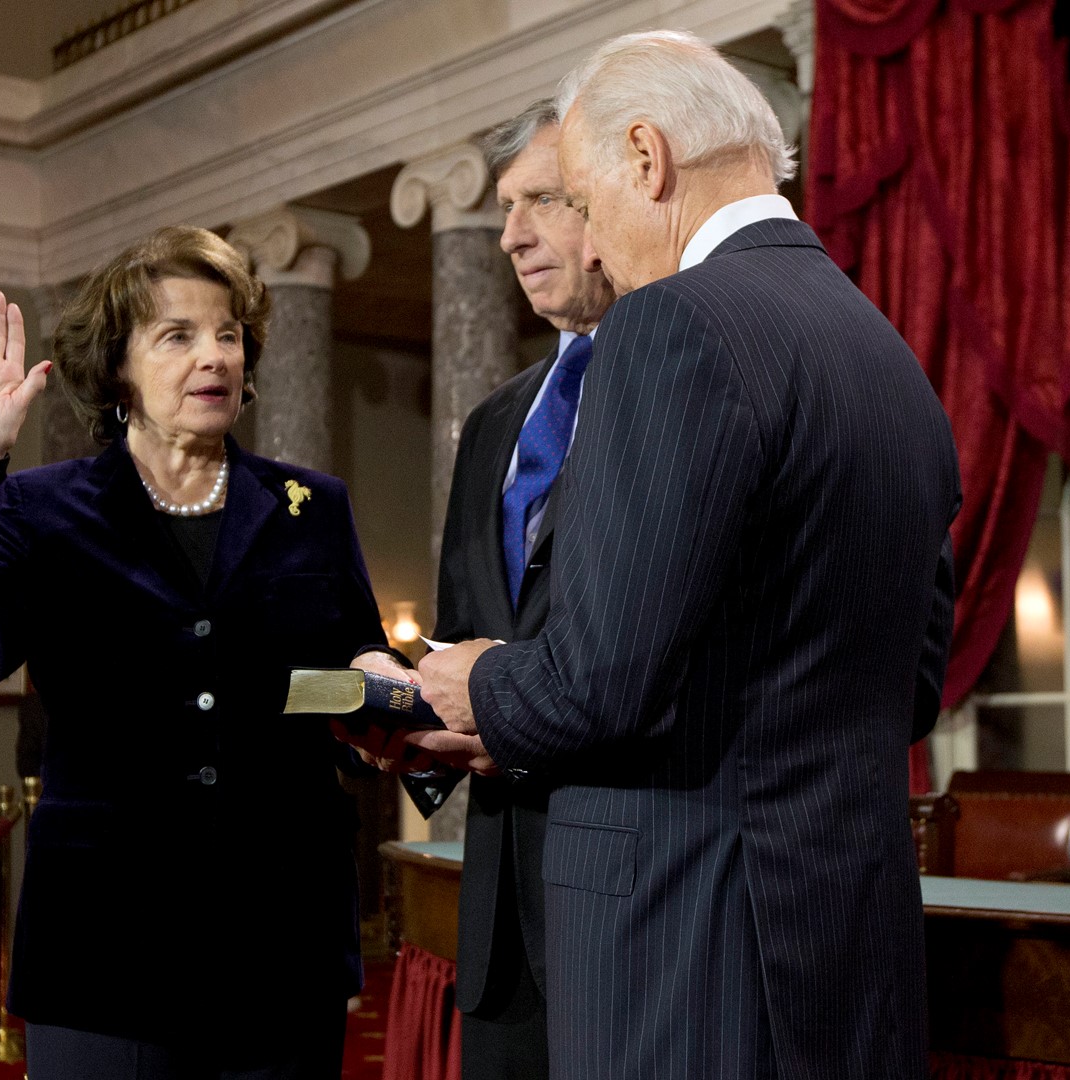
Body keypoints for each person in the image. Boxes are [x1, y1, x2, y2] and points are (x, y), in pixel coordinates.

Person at [413, 30, 961, 1080]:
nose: (595, 242)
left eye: (579, 195)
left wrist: (472, 678)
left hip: (688, 949)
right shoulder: (886, 350)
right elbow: (916, 687)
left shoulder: (670, 327)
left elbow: (594, 689)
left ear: (647, 158)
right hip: (848, 941)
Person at [0, 225, 420, 1079]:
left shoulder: (307, 506)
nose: (213, 355)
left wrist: (379, 689)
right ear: (119, 370)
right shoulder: (40, 509)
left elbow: (338, 672)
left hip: (281, 952)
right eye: (177, 335)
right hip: (103, 958)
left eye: (228, 334)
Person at [350, 99, 614, 1080]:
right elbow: (468, 637)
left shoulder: (678, 393)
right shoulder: (497, 421)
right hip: (502, 918)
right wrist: (403, 721)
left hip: (624, 895)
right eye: (506, 207)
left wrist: (517, 713)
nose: (509, 235)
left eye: (541, 199)